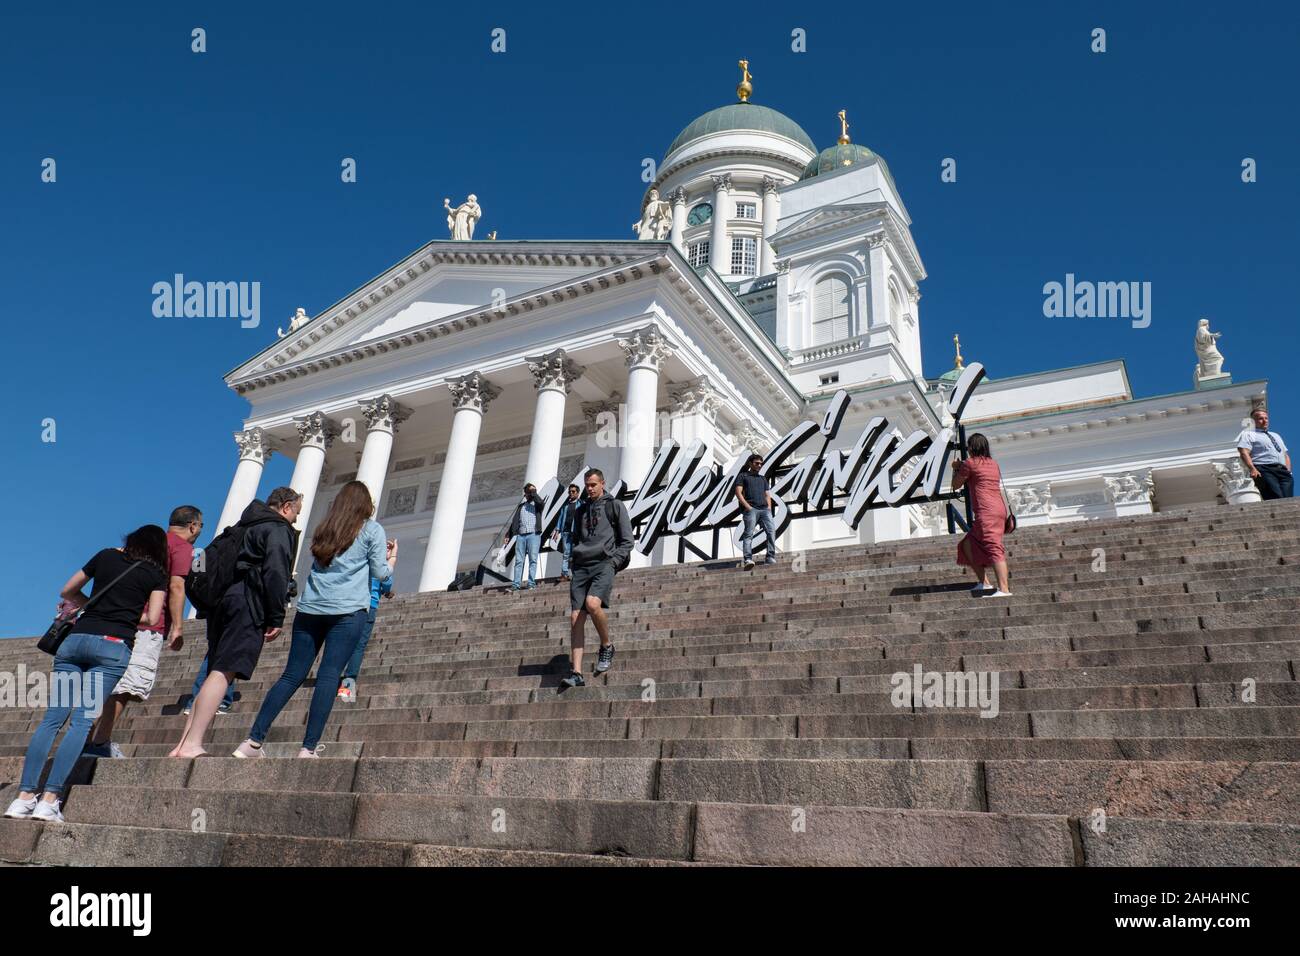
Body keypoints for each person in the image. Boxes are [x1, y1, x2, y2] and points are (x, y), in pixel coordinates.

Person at [5, 527, 168, 822]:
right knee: (81, 722)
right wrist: (127, 614)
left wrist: (92, 605)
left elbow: (67, 590)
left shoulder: (105, 556)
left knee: (52, 719)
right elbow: (153, 618)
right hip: (112, 647)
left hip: (76, 642)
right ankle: (50, 799)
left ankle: (24, 797)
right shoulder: (155, 574)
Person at [233, 480, 396, 758]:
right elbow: (381, 574)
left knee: (291, 675)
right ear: (365, 504)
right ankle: (307, 748)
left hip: (310, 610)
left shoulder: (324, 529)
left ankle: (252, 741)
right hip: (347, 612)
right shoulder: (372, 529)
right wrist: (392, 557)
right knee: (329, 676)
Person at [169, 487, 302, 758]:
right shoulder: (277, 528)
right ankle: (192, 743)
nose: (297, 519)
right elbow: (276, 572)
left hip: (222, 603)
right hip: (247, 603)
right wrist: (276, 614)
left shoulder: (240, 526)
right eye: (297, 511)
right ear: (286, 507)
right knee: (224, 671)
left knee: (214, 671)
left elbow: (202, 562)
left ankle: (182, 744)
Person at [86, 506, 203, 758]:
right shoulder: (182, 548)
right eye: (200, 527)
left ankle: (83, 739)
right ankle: (99, 743)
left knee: (106, 683)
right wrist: (178, 628)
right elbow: (176, 586)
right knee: (125, 687)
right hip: (150, 623)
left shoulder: (147, 542)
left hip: (120, 617)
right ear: (193, 526)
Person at [561, 469, 633, 689]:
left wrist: (613, 561)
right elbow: (574, 539)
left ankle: (606, 645)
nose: (589, 488)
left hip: (604, 563)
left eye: (593, 484)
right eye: (587, 484)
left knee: (593, 604)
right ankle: (577, 673)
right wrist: (573, 560)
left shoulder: (615, 505)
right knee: (575, 618)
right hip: (581, 566)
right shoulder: (580, 511)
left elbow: (627, 540)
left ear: (602, 483)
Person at [952, 433, 1012, 597]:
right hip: (999, 509)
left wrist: (956, 467)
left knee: (994, 547)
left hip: (987, 511)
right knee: (967, 544)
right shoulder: (993, 464)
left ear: (971, 448)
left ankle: (1004, 590)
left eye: (968, 446)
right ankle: (984, 583)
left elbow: (956, 485)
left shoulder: (970, 463)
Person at [336, 572, 394, 702]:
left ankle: (329, 681)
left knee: (342, 643)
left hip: (348, 605)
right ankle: (346, 688)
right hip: (368, 606)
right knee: (358, 647)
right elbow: (387, 582)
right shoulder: (380, 562)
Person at [1238, 408, 1293, 500]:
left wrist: (1288, 471)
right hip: (1264, 469)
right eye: (1260, 418)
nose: (1264, 421)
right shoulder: (1248, 434)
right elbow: (1243, 452)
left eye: (1266, 418)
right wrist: (1252, 469)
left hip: (1283, 471)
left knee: (1288, 499)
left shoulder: (1276, 435)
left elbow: (1285, 455)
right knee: (1275, 497)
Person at [734, 453, 777, 570]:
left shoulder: (762, 479)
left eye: (760, 464)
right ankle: (748, 558)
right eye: (756, 463)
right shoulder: (743, 476)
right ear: (750, 463)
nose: (759, 465)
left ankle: (770, 557)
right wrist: (748, 507)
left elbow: (767, 494)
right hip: (751, 509)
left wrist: (768, 507)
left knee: (771, 531)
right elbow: (738, 492)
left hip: (764, 509)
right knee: (748, 534)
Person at [507, 483, 542, 591]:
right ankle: (516, 584)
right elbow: (515, 522)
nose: (527, 494)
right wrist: (508, 534)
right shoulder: (521, 506)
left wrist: (534, 492)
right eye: (526, 492)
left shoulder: (537, 504)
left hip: (533, 534)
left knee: (533, 559)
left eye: (529, 492)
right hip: (521, 536)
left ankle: (531, 583)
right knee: (519, 561)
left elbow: (540, 502)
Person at [552, 483, 581, 581]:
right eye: (570, 492)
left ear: (578, 493)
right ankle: (564, 574)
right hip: (566, 532)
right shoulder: (565, 506)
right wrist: (557, 531)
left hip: (576, 533)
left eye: (573, 492)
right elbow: (560, 519)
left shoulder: (581, 504)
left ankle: (576, 574)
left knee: (576, 554)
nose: (571, 493)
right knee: (566, 554)